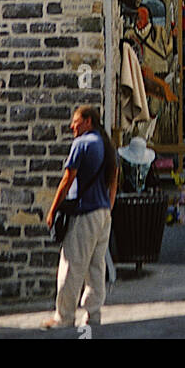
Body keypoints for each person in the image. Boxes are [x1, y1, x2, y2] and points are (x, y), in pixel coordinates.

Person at [45, 105, 118, 329]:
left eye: (75, 121)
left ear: (88, 121)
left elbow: (68, 179)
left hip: (85, 212)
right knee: (96, 267)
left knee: (71, 265)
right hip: (103, 213)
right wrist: (109, 206)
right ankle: (93, 314)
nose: (72, 126)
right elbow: (114, 178)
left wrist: (53, 209)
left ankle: (64, 317)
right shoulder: (106, 144)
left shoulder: (82, 143)